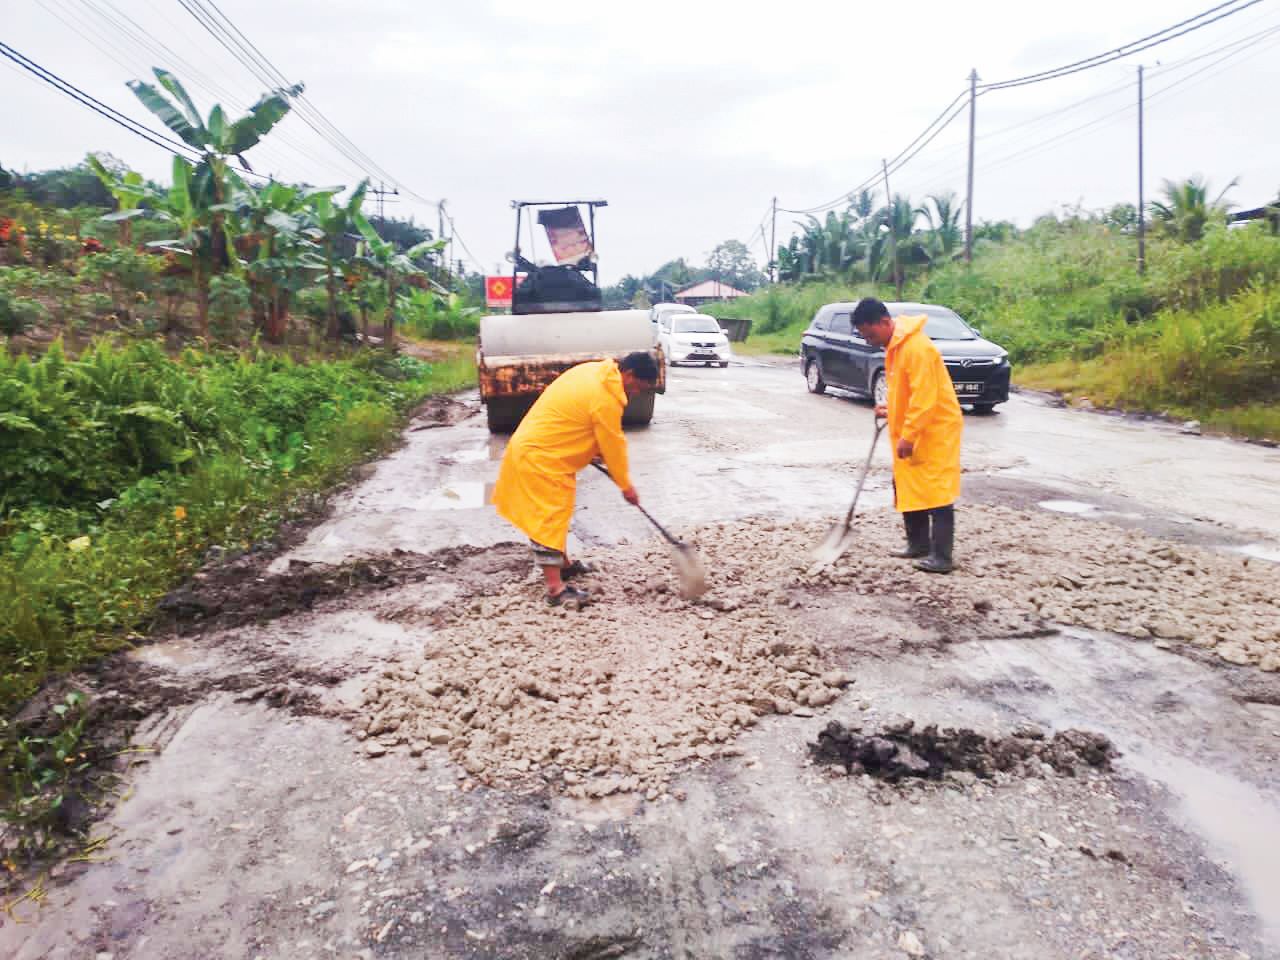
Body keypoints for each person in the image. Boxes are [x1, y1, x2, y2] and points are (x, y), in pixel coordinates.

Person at [491, 352, 658, 607]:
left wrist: (590, 448)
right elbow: (614, 443)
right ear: (630, 374)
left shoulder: (594, 372)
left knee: (558, 514)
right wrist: (626, 485)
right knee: (549, 518)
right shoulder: (607, 397)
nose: (635, 394)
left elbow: (578, 418)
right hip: (541, 458)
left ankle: (565, 566)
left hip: (540, 449)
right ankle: (556, 590)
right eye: (638, 387)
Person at [851, 297, 963, 573]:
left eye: (871, 334)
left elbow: (925, 398)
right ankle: (918, 545)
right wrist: (889, 409)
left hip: (934, 429)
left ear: (885, 322)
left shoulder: (916, 348)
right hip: (915, 425)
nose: (869, 341)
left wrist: (910, 435)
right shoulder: (895, 347)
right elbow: (906, 392)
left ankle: (943, 557)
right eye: (865, 337)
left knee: (936, 491)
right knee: (905, 482)